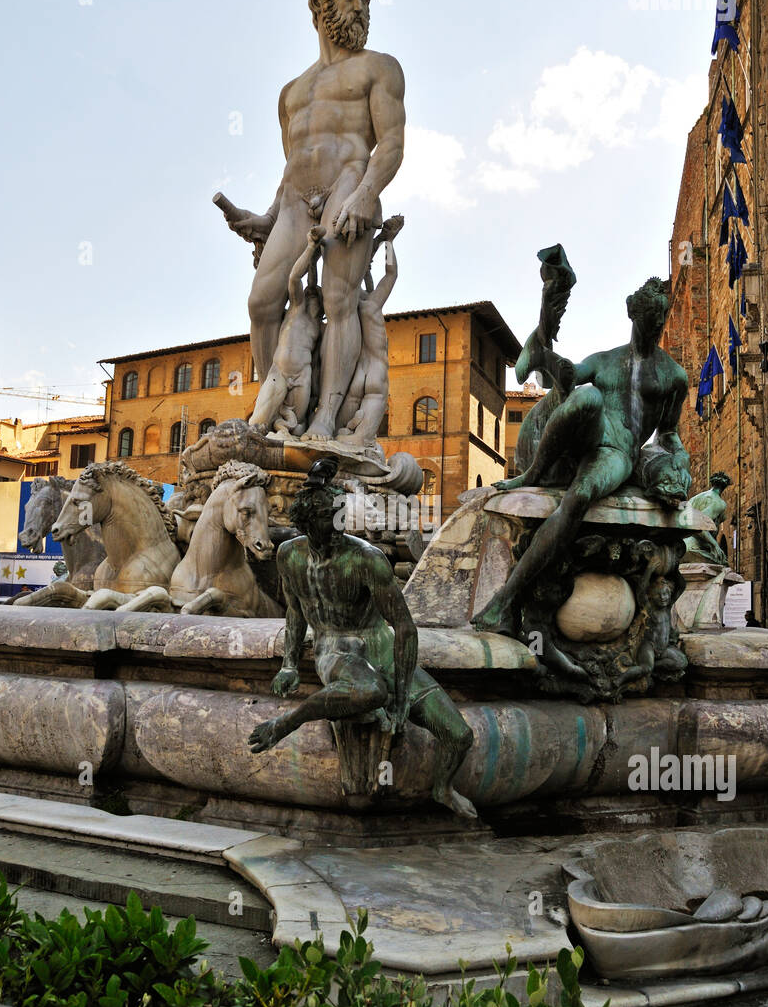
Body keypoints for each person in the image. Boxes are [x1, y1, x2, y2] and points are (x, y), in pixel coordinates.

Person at [219, 0, 405, 441]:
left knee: (340, 299)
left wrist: (366, 193)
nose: (360, 7)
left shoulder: (380, 68)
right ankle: (275, 411)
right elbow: (292, 166)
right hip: (297, 200)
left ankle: (325, 416)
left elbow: (391, 144)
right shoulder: (291, 93)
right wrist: (265, 218)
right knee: (262, 302)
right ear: (320, 8)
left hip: (351, 183)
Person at [248, 462, 476, 818]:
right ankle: (285, 724)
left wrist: (402, 694)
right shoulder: (288, 555)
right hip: (335, 648)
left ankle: (442, 787)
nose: (338, 524)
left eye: (340, 514)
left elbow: (404, 627)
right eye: (328, 517)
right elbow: (294, 611)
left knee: (460, 736)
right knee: (370, 690)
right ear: (306, 521)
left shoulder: (367, 558)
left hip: (379, 647)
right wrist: (289, 664)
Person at [474, 277, 690, 636]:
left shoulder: (673, 376)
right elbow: (562, 384)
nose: (655, 324)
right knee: (586, 396)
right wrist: (554, 361)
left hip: (618, 452)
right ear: (632, 313)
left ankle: (505, 600)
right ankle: (532, 474)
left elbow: (668, 433)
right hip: (590, 434)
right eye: (649, 316)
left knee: (579, 497)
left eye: (660, 318)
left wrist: (677, 463)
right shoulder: (605, 361)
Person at [248, 224, 325, 436]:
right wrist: (311, 248)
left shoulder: (320, 326)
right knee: (259, 421)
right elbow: (296, 278)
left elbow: (319, 360)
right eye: (311, 293)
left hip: (302, 376)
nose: (312, 294)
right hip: (279, 373)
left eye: (316, 294)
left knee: (298, 427)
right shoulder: (297, 308)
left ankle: (281, 429)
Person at [336, 239, 397, 442]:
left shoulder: (346, 311)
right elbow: (391, 274)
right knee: (360, 440)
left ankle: (347, 431)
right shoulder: (372, 305)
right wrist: (389, 242)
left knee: (337, 433)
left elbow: (363, 286)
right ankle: (356, 435)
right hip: (376, 369)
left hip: (356, 373)